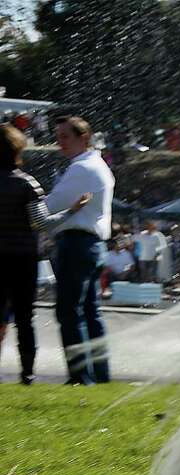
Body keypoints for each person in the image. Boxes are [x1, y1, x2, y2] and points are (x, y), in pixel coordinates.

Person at [0, 123, 88, 384]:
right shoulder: (27, 184)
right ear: (17, 149)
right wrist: (72, 211)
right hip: (23, 257)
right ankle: (27, 374)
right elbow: (41, 223)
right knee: (25, 318)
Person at [45, 116, 115, 385]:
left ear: (83, 138)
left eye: (65, 136)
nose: (59, 142)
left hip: (76, 243)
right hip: (94, 245)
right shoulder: (98, 166)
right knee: (90, 312)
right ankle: (99, 374)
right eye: (58, 136)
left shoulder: (81, 168)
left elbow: (50, 206)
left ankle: (79, 376)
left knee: (69, 312)